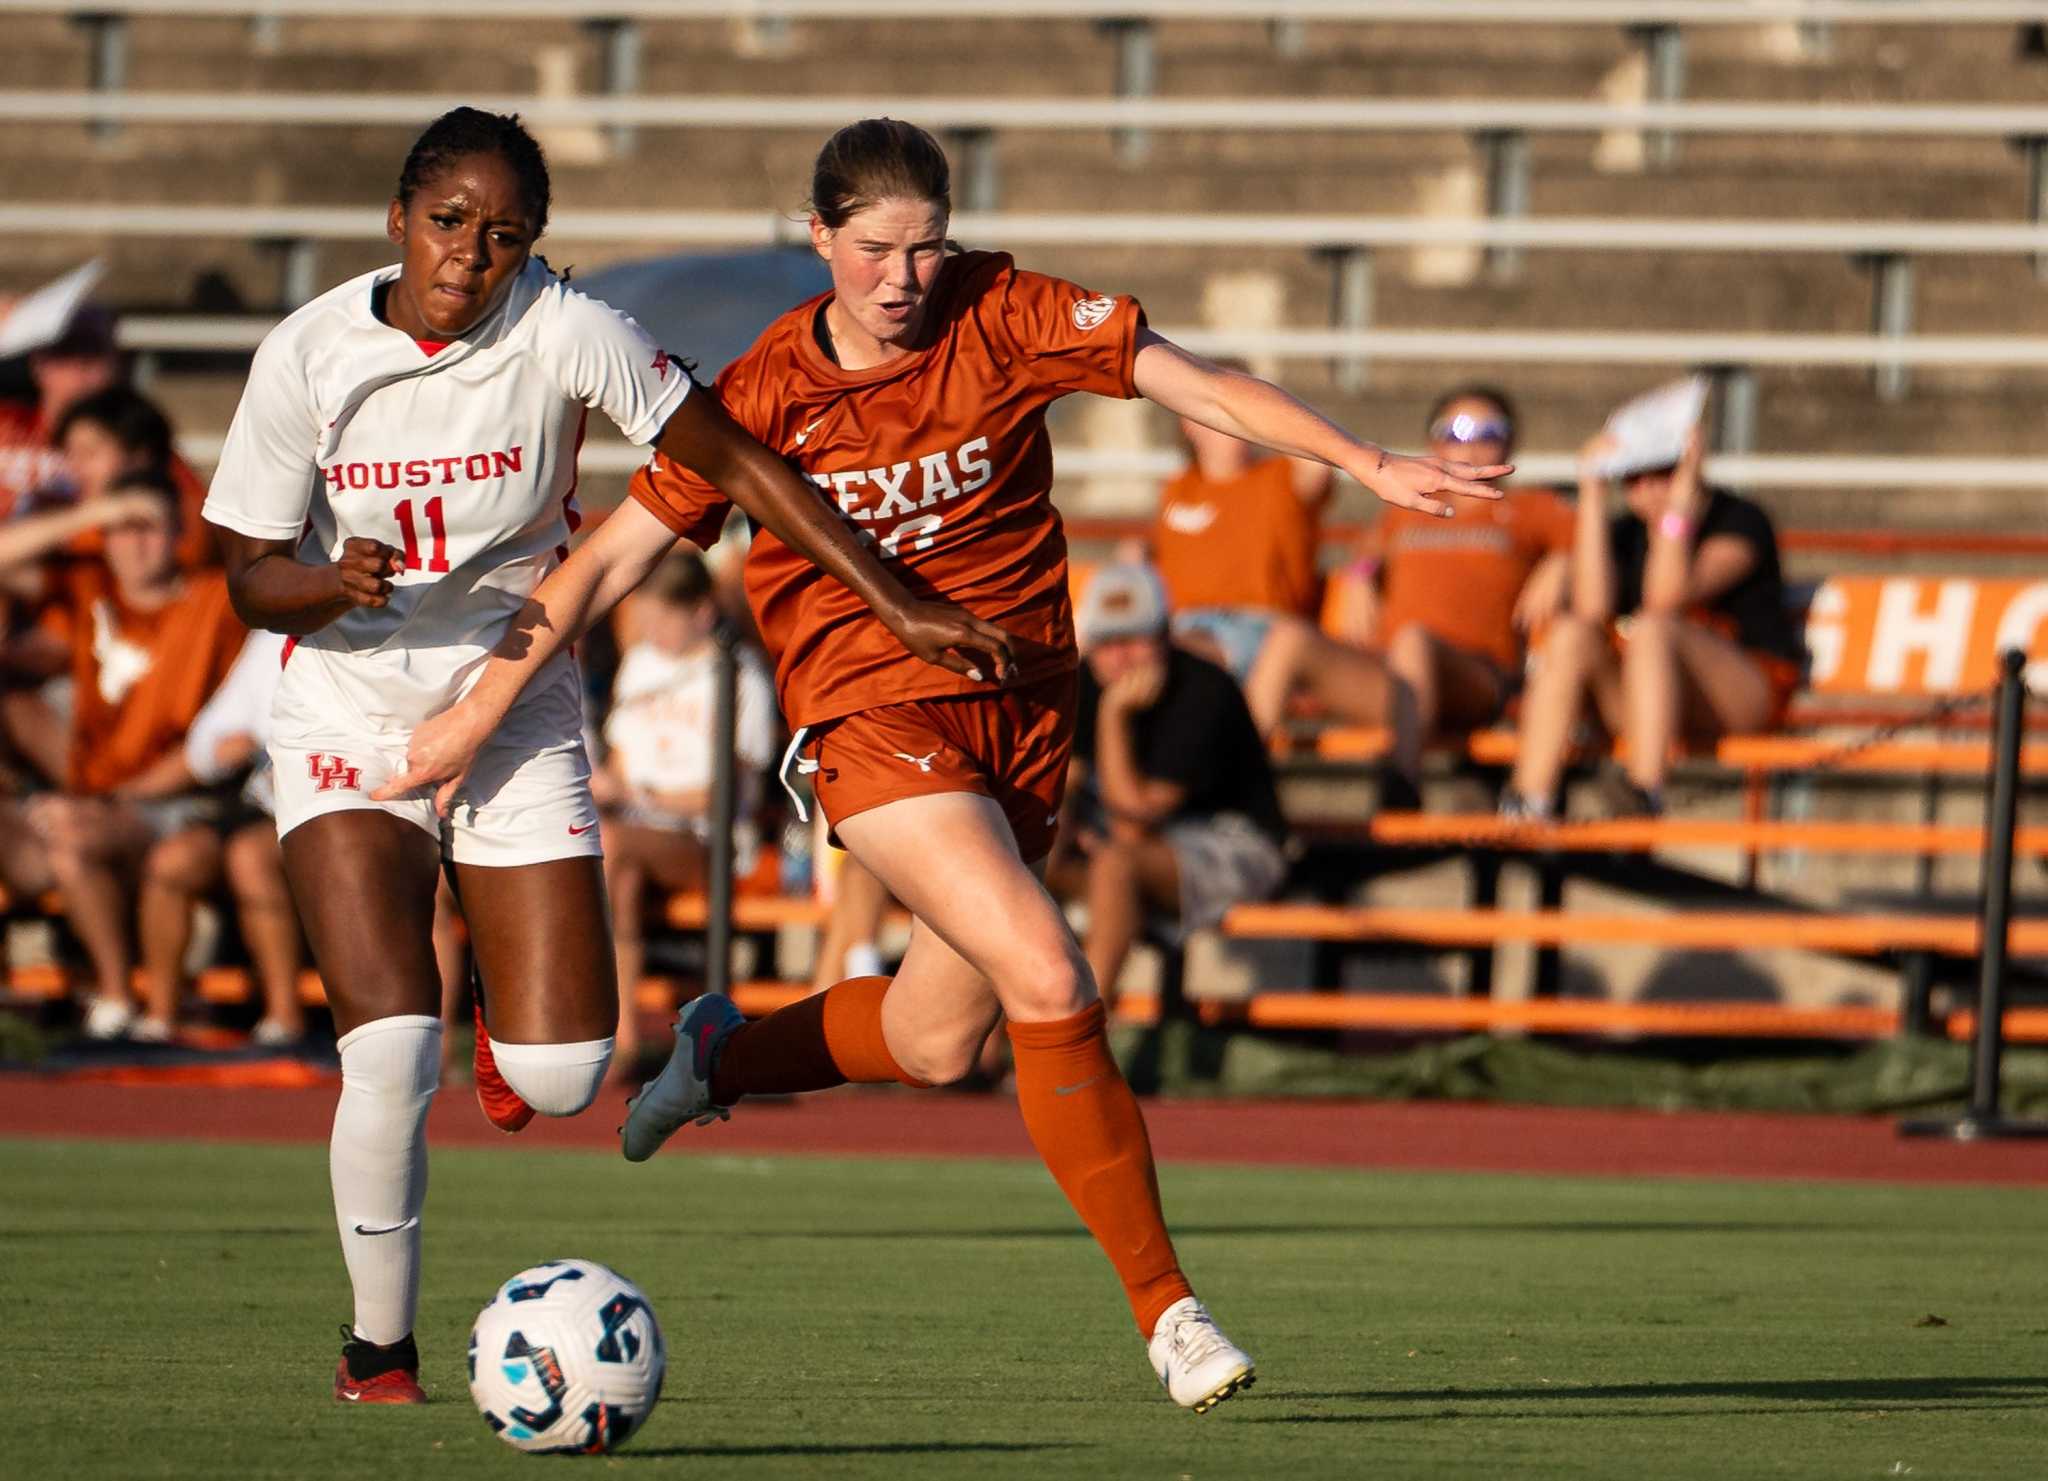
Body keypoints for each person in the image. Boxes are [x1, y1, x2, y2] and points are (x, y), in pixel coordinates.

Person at [383, 118, 1507, 1411]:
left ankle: (719, 1059)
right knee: (1047, 964)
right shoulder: (763, 390)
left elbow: (1189, 380)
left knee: (933, 1038)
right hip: (869, 713)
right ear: (821, 241)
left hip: (1023, 714)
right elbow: (613, 558)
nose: (903, 276)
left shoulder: (1006, 314)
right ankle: (1171, 1312)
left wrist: (1362, 460)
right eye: (873, 250)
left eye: (926, 247)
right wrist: (477, 715)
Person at [198, 108, 1006, 1408]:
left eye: (506, 232)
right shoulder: (310, 351)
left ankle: (504, 1018)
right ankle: (379, 1353)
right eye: (452, 221)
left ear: (536, 244)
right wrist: (323, 585)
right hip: (347, 703)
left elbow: (741, 462)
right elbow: (243, 578)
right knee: (389, 1051)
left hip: (515, 692)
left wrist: (896, 595)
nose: (473, 253)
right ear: (400, 217)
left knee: (569, 1075)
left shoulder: (567, 327)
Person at [0, 472, 246, 1040]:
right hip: (94, 801)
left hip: (182, 805)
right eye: (122, 529)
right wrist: (94, 512)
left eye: (151, 528)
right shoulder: (92, 592)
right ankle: (100, 999)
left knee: (72, 837)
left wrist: (104, 803)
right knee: (62, 837)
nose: (136, 543)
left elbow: (219, 747)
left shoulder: (214, 603)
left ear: (179, 536)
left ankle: (114, 998)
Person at [1500, 422, 1804, 819]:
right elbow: (1593, 610)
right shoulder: (1624, 532)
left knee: (1652, 629)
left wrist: (1677, 513)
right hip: (1651, 700)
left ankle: (1642, 792)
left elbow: (1666, 600)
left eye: (1662, 472)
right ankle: (1528, 800)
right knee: (1572, 633)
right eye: (1632, 476)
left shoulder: (1739, 519)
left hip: (1740, 693)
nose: (1646, 488)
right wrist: (1591, 494)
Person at [1050, 563, 1287, 1008]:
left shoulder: (1203, 689)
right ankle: (985, 1057)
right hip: (1137, 844)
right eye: (1108, 643)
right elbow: (1066, 786)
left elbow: (1137, 810)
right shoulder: (1084, 680)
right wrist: (1061, 829)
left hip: (1234, 842)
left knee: (1117, 865)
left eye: (1134, 639)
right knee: (1027, 852)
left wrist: (1114, 715)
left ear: (1164, 635)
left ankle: (1082, 1033)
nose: (1121, 657)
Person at [1324, 387, 1573, 785]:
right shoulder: (1406, 508)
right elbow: (1366, 552)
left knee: (1414, 641)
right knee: (1284, 642)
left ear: (1509, 442)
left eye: (1488, 431)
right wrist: (1359, 576)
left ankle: (1401, 789)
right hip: (1396, 675)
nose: (1470, 444)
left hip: (1478, 676)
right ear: (1432, 441)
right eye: (1455, 430)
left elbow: (1592, 547)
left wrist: (1563, 561)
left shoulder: (1529, 507)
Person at [597, 549, 775, 1075]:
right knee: (616, 875)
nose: (651, 628)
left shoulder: (740, 674)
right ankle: (622, 1036)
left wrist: (640, 795)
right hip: (635, 838)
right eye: (644, 615)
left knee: (610, 846)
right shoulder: (640, 665)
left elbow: (726, 794)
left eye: (662, 616)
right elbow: (619, 763)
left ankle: (621, 1038)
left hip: (708, 842)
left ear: (700, 612)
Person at [180, 626, 308, 1047]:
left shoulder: (385, 627)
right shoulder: (270, 639)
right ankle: (282, 1021)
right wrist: (224, 748)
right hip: (274, 814)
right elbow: (202, 746)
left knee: (250, 855)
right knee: (235, 856)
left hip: (366, 806)